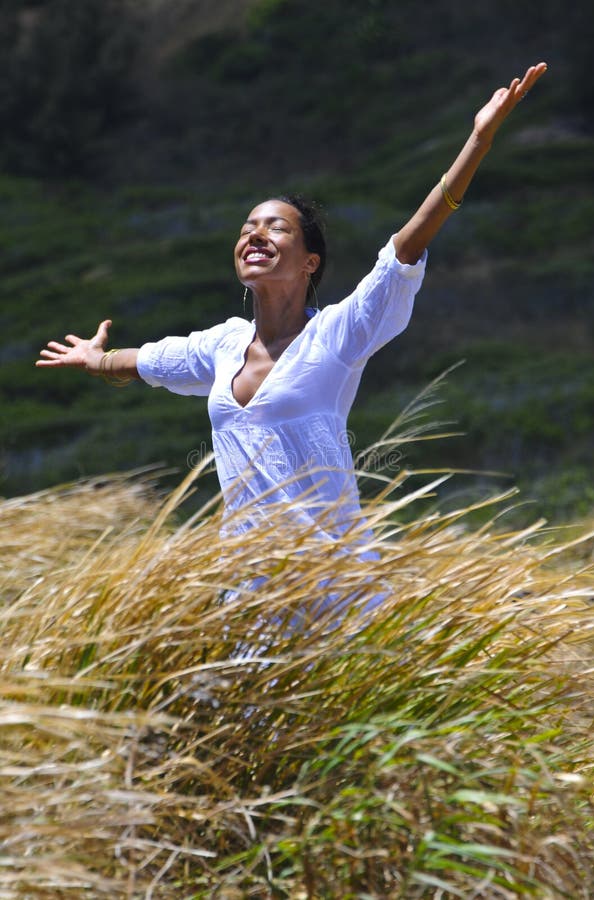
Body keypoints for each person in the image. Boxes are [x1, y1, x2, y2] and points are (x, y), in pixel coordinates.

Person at [36, 64, 547, 547]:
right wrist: (96, 359)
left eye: (276, 227)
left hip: (333, 578)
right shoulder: (221, 345)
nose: (255, 235)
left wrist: (478, 141)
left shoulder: (337, 334)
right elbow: (143, 362)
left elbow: (405, 249)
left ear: (309, 262)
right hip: (248, 587)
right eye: (247, 229)